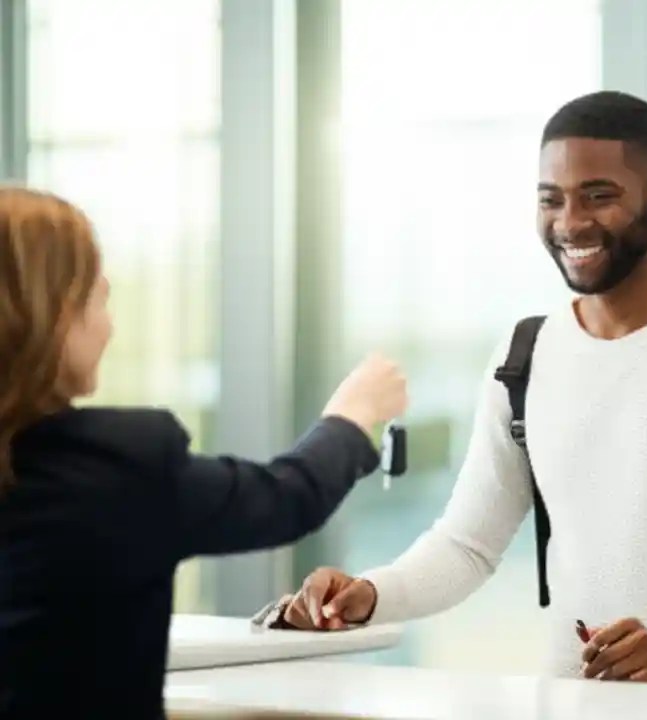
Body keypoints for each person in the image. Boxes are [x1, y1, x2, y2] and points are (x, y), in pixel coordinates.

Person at [284, 91, 647, 691]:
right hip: (574, 702)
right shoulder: (526, 356)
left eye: (600, 196)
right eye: (552, 199)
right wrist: (371, 593)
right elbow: (469, 544)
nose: (571, 222)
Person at [0, 187, 409, 718]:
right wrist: (353, 417)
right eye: (96, 297)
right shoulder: (117, 468)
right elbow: (288, 497)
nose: (108, 315)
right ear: (51, 319)